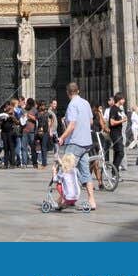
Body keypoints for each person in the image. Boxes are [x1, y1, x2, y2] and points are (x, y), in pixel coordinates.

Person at [57, 81, 97, 212]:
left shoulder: (72, 105)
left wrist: (62, 137)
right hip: (86, 143)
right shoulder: (85, 103)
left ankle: (65, 199)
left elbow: (72, 125)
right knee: (85, 172)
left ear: (68, 93)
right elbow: (91, 121)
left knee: (65, 170)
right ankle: (91, 201)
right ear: (78, 91)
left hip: (75, 142)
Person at [107, 94, 126, 172]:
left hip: (119, 133)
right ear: (119, 99)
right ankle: (114, 170)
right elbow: (112, 122)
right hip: (115, 133)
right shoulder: (113, 109)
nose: (124, 101)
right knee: (121, 153)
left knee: (117, 152)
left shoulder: (119, 109)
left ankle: (115, 172)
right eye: (123, 99)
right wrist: (122, 120)